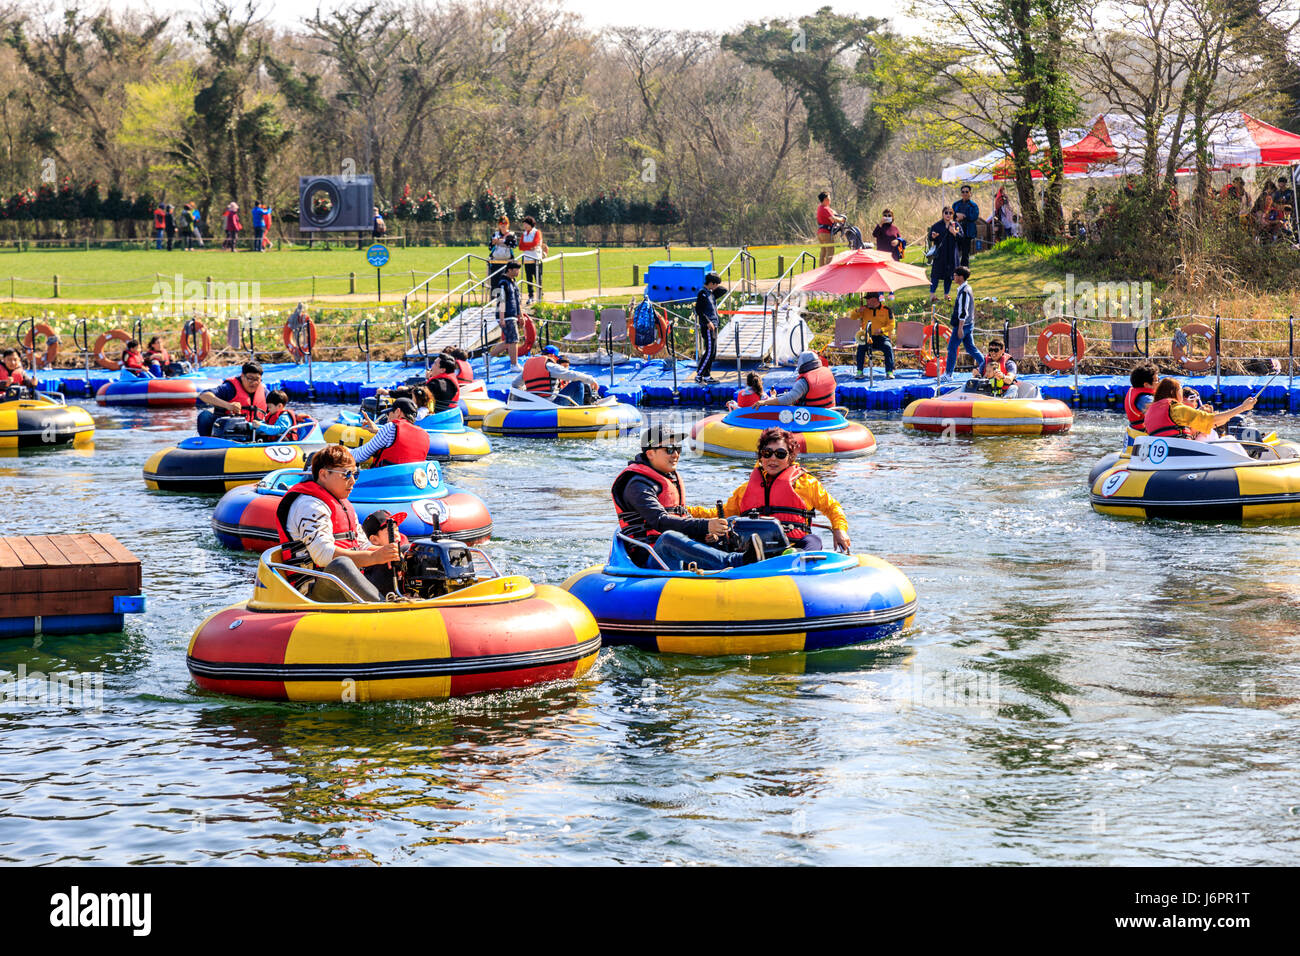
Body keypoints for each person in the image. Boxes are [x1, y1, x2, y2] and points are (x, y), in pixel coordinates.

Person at [611, 424, 765, 570]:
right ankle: (737, 561)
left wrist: (706, 534)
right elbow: (661, 521)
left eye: (678, 448)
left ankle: (763, 553)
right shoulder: (636, 485)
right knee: (668, 539)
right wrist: (705, 525)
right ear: (650, 453)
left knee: (731, 523)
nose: (676, 454)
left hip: (676, 550)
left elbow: (681, 515)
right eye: (669, 449)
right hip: (649, 559)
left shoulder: (668, 477)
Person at [274, 444, 400, 603]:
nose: (353, 480)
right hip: (313, 593)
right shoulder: (308, 505)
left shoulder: (342, 503)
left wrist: (390, 553)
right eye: (347, 474)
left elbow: (362, 545)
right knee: (340, 565)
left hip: (348, 582)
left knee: (402, 551)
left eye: (356, 474)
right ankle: (383, 610)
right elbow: (323, 556)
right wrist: (374, 556)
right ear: (324, 474)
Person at [716, 427, 850, 553]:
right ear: (761, 457)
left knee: (813, 540)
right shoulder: (744, 490)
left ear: (790, 457)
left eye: (780, 454)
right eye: (767, 453)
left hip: (795, 547)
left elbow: (832, 507)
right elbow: (722, 514)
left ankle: (799, 561)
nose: (773, 458)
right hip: (756, 549)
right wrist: (695, 514)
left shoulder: (807, 484)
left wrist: (839, 529)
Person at [1143, 377, 1256, 441]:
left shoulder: (1150, 411)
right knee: (1230, 440)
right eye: (1180, 390)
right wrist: (1243, 407)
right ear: (1173, 392)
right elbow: (1213, 420)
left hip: (1165, 453)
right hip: (1181, 453)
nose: (1181, 393)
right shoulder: (1176, 409)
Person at [353, 397, 431, 466]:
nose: (387, 416)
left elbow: (360, 455)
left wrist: (343, 450)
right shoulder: (425, 435)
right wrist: (378, 431)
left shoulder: (391, 427)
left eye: (389, 412)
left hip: (385, 479)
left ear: (398, 411)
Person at [197, 362, 266, 437]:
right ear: (242, 376)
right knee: (205, 415)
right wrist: (228, 405)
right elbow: (203, 395)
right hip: (227, 432)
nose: (253, 383)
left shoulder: (264, 392)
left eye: (257, 379)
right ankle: (206, 443)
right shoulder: (229, 388)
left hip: (255, 432)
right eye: (250, 378)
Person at [516, 345, 601, 404]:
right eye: (557, 358)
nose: (557, 361)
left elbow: (515, 384)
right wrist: (591, 380)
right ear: (551, 355)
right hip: (552, 403)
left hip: (536, 403)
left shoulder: (528, 368)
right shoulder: (550, 366)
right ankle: (580, 409)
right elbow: (571, 375)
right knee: (578, 384)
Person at [942, 266, 984, 383]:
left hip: (963, 325)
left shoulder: (964, 291)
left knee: (951, 348)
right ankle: (985, 365)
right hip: (968, 324)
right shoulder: (966, 288)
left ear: (961, 277)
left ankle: (948, 374)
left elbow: (963, 311)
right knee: (971, 348)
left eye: (955, 275)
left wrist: (960, 328)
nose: (953, 277)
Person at [758, 351, 837, 407]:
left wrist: (765, 402)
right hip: (830, 412)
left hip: (812, 416)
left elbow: (788, 399)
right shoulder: (828, 372)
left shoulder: (803, 382)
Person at [360, 509, 408, 597]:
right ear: (374, 539)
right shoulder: (371, 558)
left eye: (397, 530)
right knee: (388, 560)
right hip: (381, 594)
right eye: (391, 532)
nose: (397, 534)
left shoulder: (403, 548)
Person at [851, 292, 895, 379]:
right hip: (867, 336)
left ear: (874, 300)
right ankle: (859, 372)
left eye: (868, 299)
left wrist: (882, 330)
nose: (866, 301)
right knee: (860, 347)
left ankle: (889, 372)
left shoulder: (887, 310)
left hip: (882, 337)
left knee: (888, 347)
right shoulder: (864, 309)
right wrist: (858, 311)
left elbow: (892, 325)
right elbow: (852, 317)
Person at [495, 260, 524, 371]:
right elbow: (501, 301)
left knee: (509, 340)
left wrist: (520, 315)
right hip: (506, 315)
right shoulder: (503, 283)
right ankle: (514, 364)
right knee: (514, 340)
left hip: (512, 314)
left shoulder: (513, 282)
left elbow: (517, 300)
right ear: (509, 270)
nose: (518, 272)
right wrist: (502, 317)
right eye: (516, 269)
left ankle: (488, 356)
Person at [928, 207, 962, 300]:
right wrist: (933, 236)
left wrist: (954, 232)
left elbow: (961, 238)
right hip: (940, 255)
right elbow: (930, 238)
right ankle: (932, 295)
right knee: (935, 275)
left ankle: (946, 294)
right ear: (942, 214)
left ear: (952, 215)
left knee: (949, 275)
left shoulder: (956, 225)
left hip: (952, 254)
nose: (948, 215)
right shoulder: (937, 225)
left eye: (950, 213)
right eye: (946, 213)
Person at [694, 271, 722, 383]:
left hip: (714, 325)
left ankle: (707, 375)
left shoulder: (710, 293)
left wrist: (716, 278)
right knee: (709, 351)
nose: (717, 287)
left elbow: (724, 290)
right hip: (708, 326)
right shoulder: (702, 293)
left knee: (713, 352)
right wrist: (707, 322)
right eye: (715, 284)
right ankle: (699, 374)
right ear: (710, 283)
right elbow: (698, 310)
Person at [1123, 362, 1158, 445]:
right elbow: (1159, 412)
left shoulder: (1135, 390)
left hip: (1135, 434)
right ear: (1146, 384)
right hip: (1141, 439)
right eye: (1156, 380)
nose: (1158, 383)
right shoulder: (1144, 399)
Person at [518, 215, 548, 303]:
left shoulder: (537, 232)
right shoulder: (524, 234)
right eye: (524, 225)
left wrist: (526, 246)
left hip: (536, 259)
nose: (525, 226)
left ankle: (540, 294)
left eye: (526, 224)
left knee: (538, 278)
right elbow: (520, 246)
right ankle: (530, 296)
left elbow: (535, 243)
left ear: (530, 224)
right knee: (528, 279)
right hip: (527, 259)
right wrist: (529, 246)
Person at [815, 191, 846, 265]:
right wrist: (842, 220)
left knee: (823, 252)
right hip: (826, 233)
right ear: (825, 199)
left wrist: (835, 214)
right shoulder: (825, 208)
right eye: (829, 198)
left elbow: (832, 212)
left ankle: (821, 269)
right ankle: (827, 270)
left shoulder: (820, 207)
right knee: (830, 251)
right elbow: (833, 218)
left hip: (820, 233)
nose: (830, 199)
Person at [487, 215, 516, 291]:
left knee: (506, 281)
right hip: (495, 261)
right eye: (501, 223)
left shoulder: (511, 234)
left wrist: (501, 241)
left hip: (507, 262)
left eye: (505, 223)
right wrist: (494, 243)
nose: (503, 225)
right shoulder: (495, 234)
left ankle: (507, 299)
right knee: (494, 282)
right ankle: (494, 300)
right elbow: (490, 247)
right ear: (499, 225)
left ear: (508, 224)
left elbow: (514, 245)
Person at [952, 185, 979, 267]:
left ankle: (964, 271)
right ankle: (954, 269)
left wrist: (964, 216)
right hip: (956, 231)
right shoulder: (956, 204)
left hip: (967, 232)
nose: (965, 193)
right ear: (961, 193)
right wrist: (956, 216)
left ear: (970, 193)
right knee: (955, 251)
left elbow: (974, 217)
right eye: (963, 192)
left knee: (965, 253)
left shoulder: (973, 206)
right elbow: (951, 215)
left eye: (967, 192)